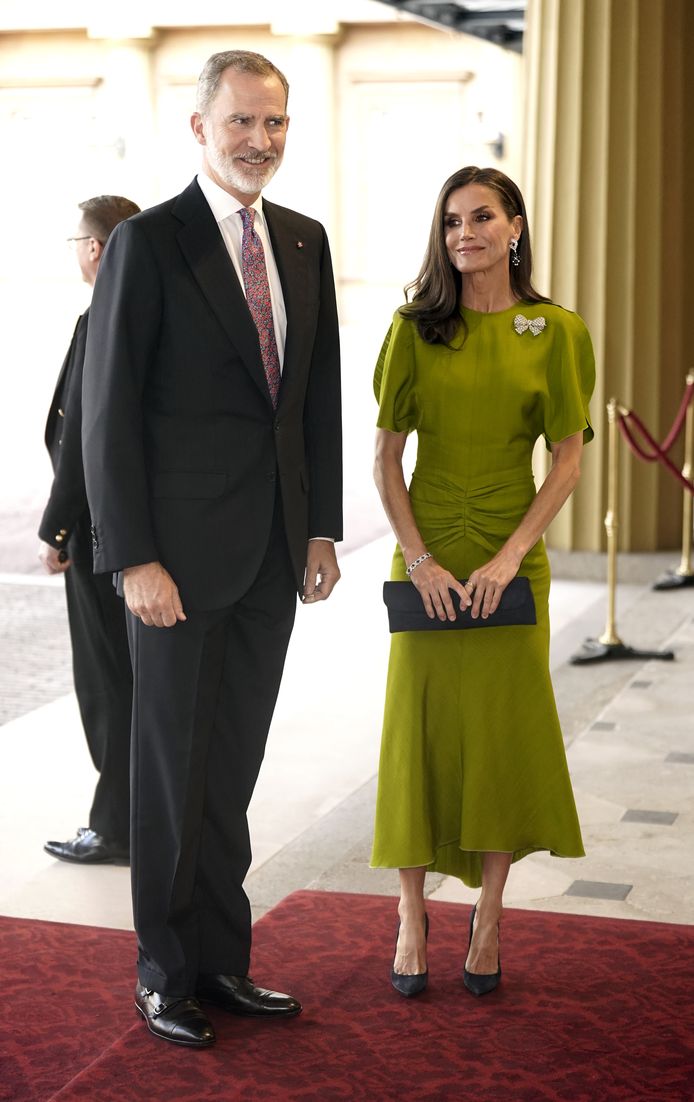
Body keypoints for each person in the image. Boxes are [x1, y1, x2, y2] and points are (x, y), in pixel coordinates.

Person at [81, 50, 342, 1047]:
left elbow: (311, 396)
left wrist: (317, 527)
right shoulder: (151, 243)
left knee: (230, 765)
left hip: (273, 554)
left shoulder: (306, 244)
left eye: (275, 123)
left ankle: (223, 960)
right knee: (167, 772)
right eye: (241, 122)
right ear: (199, 127)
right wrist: (132, 556)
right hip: (174, 570)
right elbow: (108, 417)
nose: (261, 141)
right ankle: (162, 971)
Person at [370, 166, 594, 998]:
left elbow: (567, 461)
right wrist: (422, 558)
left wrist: (509, 556)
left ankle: (492, 913)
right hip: (424, 553)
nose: (465, 232)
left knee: (500, 735)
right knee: (417, 731)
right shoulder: (413, 328)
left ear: (516, 227)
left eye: (482, 217)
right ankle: (409, 910)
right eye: (452, 220)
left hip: (512, 558)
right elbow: (385, 460)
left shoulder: (557, 329)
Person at [39, 195, 140, 865]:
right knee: (133, 681)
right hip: (131, 529)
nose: (75, 250)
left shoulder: (101, 318)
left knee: (109, 684)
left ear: (97, 248)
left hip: (99, 532)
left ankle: (113, 826)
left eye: (77, 239)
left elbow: (84, 438)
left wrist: (57, 527)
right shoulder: (144, 315)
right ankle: (134, 817)